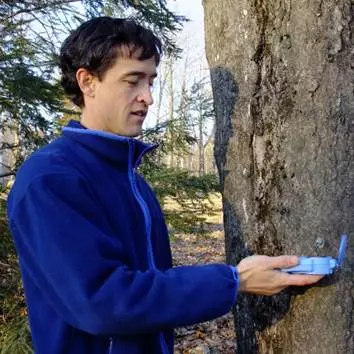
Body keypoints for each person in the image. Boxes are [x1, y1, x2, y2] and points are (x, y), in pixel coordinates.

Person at [7, 17, 323, 354]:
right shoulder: (50, 180)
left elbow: (150, 287)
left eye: (151, 82)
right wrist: (233, 281)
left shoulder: (132, 182)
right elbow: (101, 301)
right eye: (132, 81)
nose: (148, 98)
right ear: (88, 81)